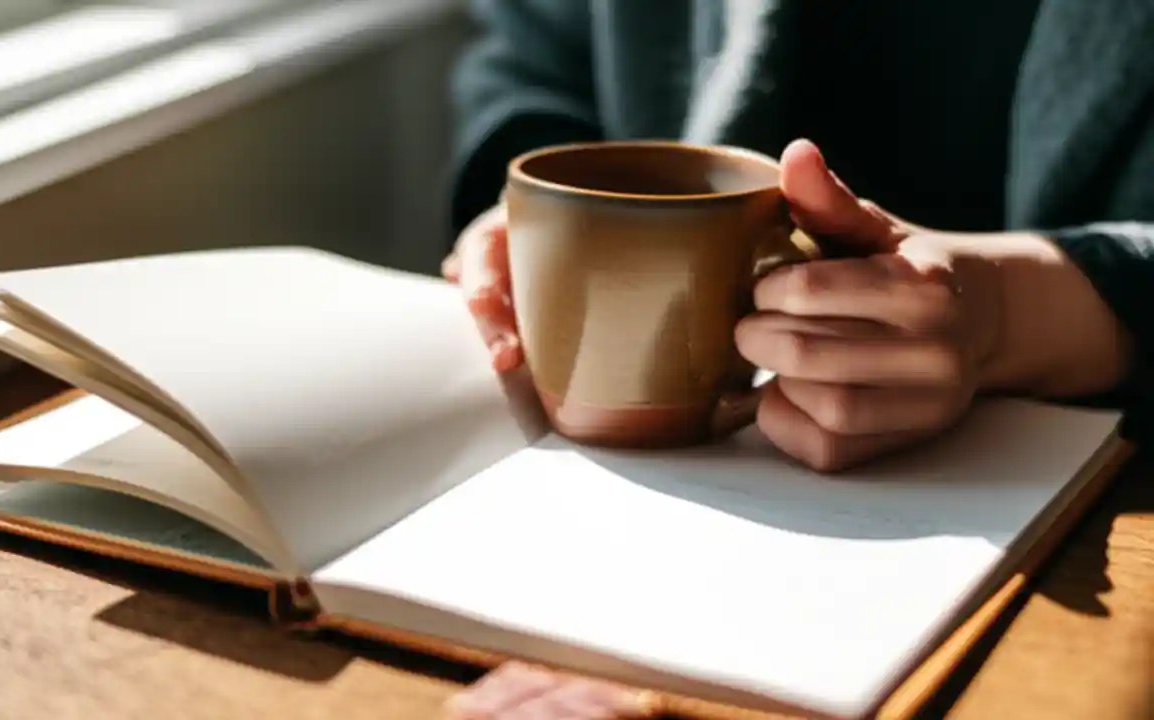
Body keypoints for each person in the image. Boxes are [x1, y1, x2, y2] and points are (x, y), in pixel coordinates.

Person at [440, 1, 1153, 718]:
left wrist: (1009, 310)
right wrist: (532, 209)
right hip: (626, 568)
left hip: (1086, 528)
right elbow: (533, 50)